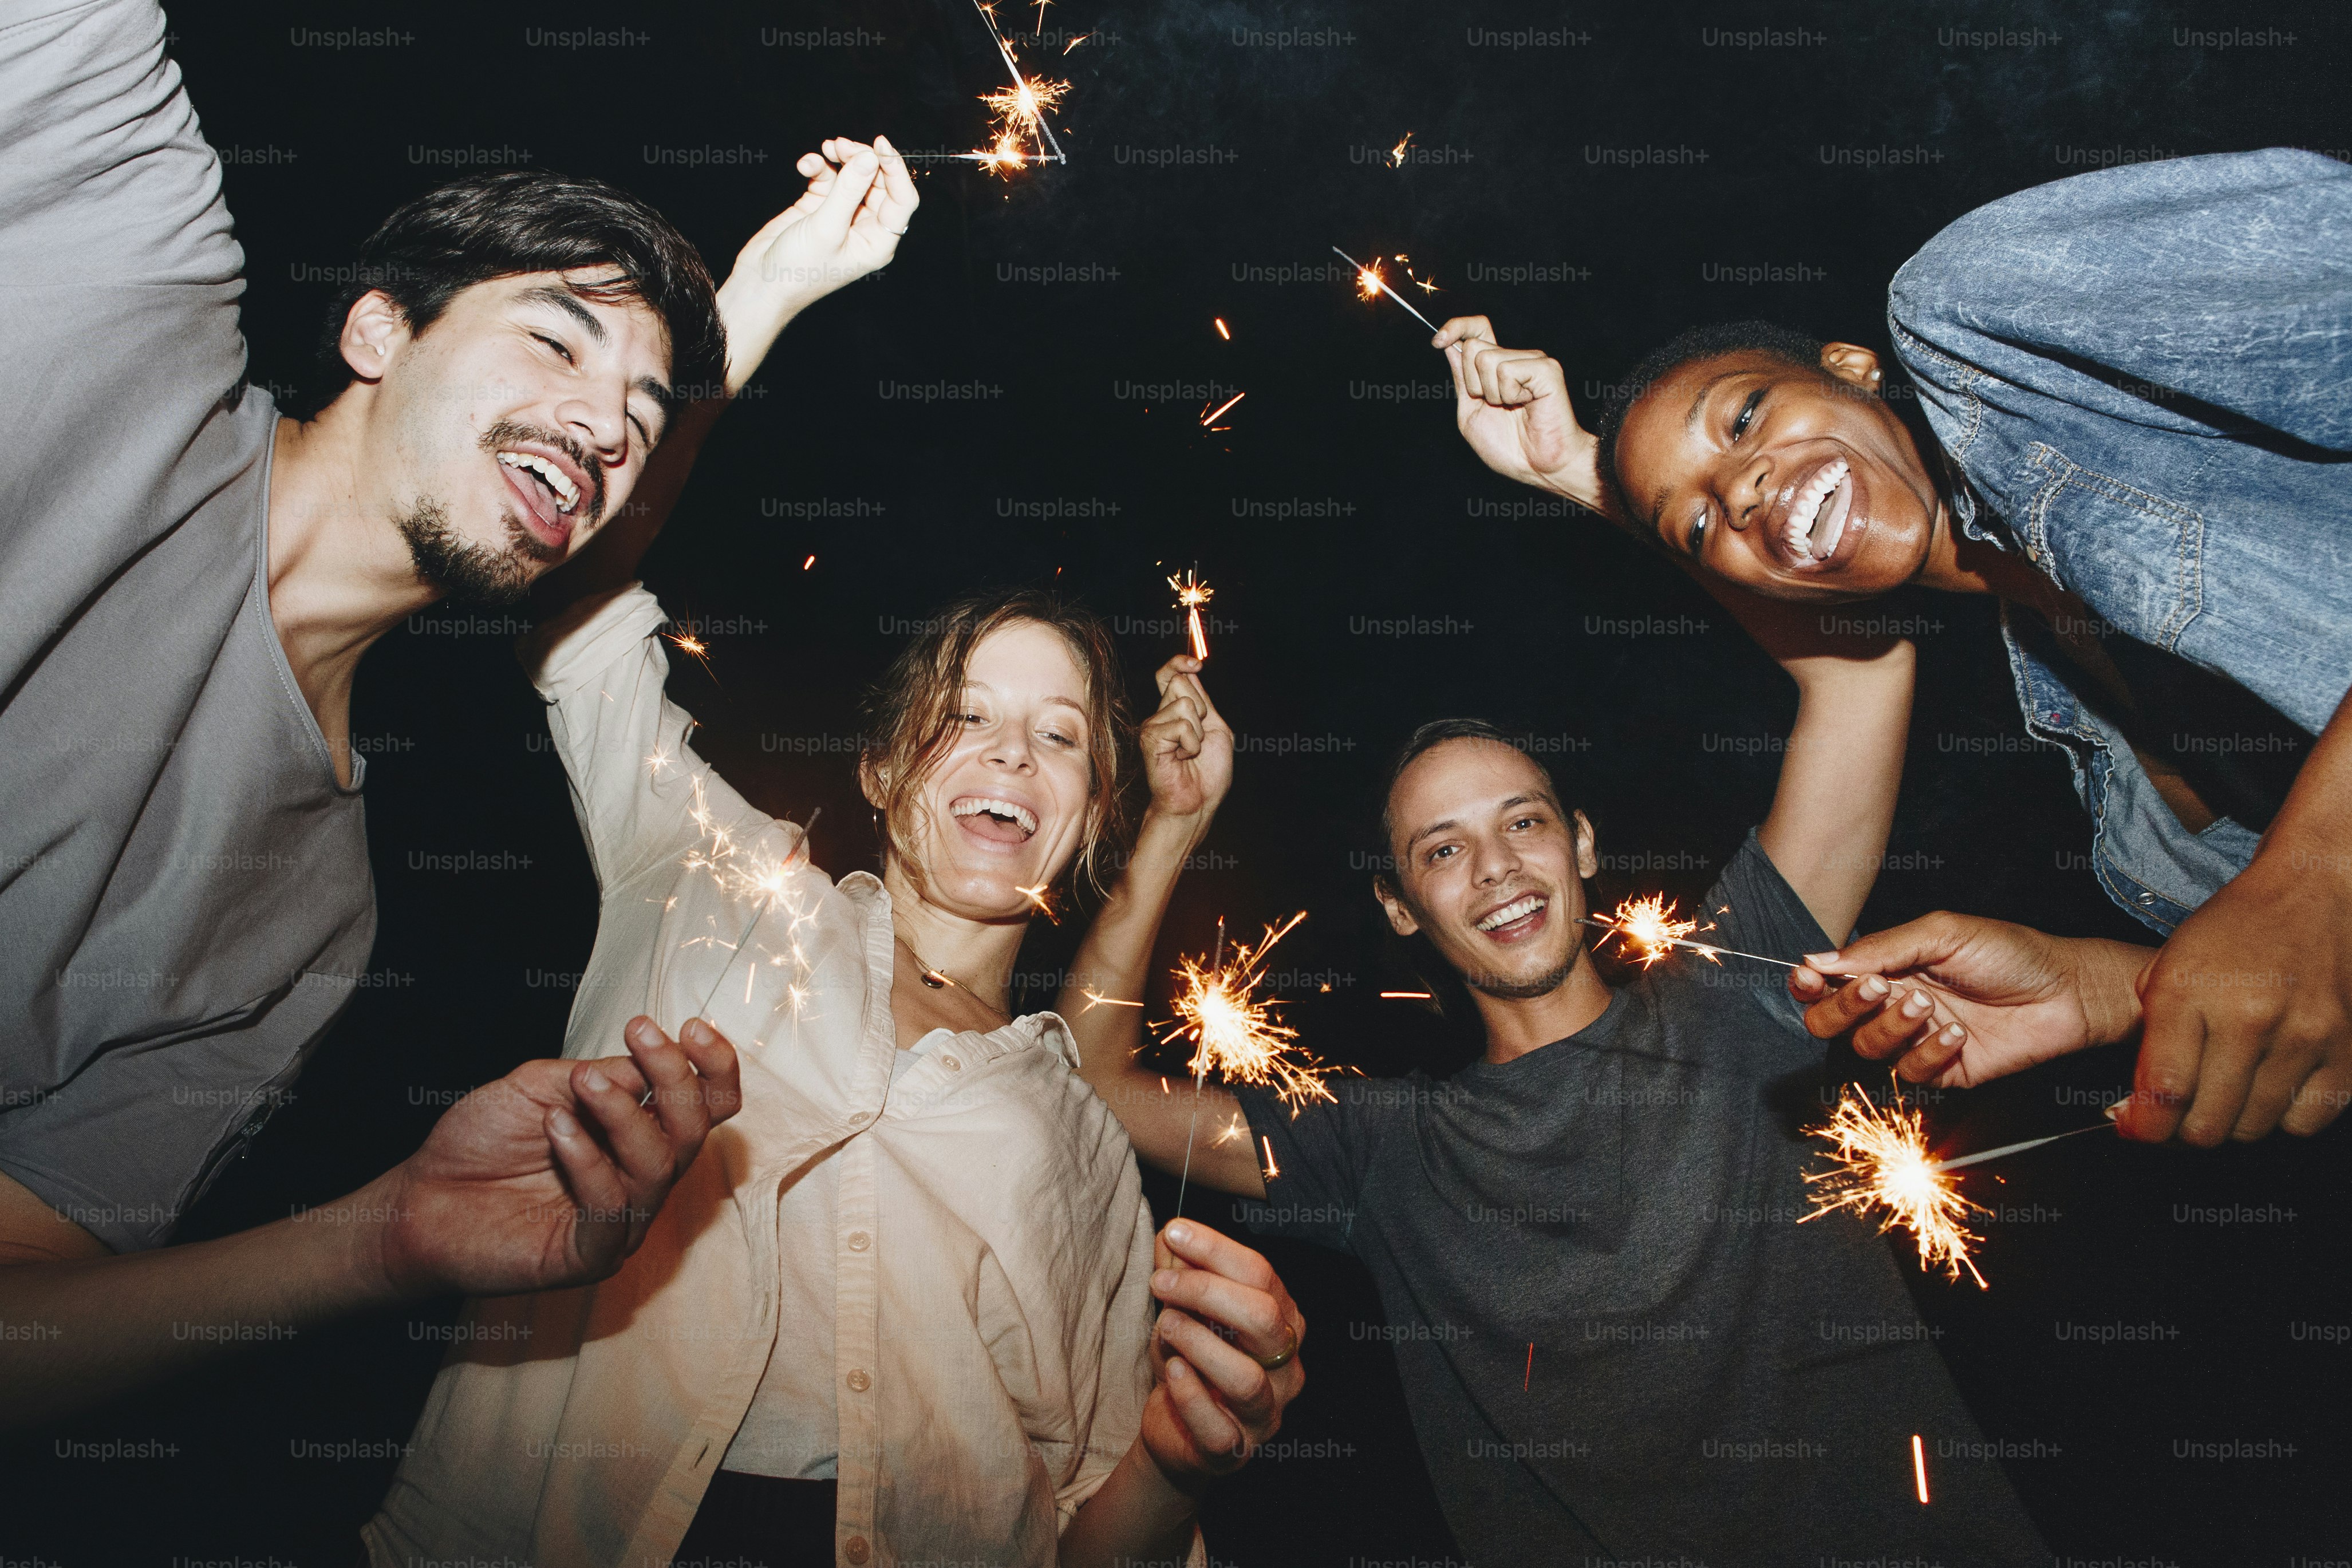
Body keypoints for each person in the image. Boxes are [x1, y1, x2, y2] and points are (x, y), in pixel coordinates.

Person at [0, 0, 911, 1423]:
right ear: (376, 328)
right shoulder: (132, 292)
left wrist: (385, 1238)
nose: (608, 426)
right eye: (553, 341)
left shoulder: (303, 914)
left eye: (642, 412)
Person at [364, 569, 1305, 1565]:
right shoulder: (714, 885)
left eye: (1062, 736)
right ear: (879, 770)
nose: (1012, 750)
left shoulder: (1083, 1140)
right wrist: (667, 410)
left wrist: (1172, 1463)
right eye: (963, 714)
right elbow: (583, 616)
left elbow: (1087, 1534)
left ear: (1091, 817)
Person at [1075, 617, 2050, 1562]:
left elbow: (1866, 671)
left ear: (1580, 844)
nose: (1498, 869)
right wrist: (1174, 823)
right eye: (1443, 850)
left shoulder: (1740, 985)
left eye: (1524, 822)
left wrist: (1611, 480)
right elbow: (1089, 1078)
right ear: (1400, 909)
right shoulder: (1384, 1151)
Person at [1437, 148, 2352, 1148]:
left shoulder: (1976, 314)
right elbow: (2302, 973)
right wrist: (2107, 989)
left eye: (1745, 417)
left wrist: (2318, 867)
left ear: (1851, 368)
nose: (1739, 492)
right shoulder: (2102, 770)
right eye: (1698, 530)